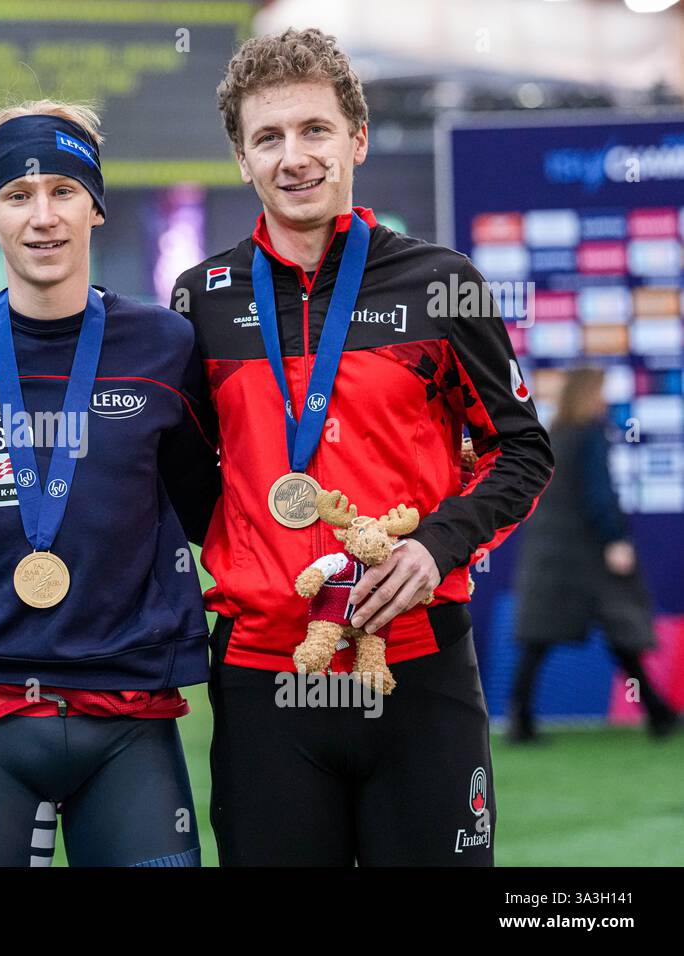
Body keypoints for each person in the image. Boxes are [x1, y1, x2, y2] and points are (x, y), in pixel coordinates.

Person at [170, 28, 554, 865]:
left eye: (315, 130)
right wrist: (255, 553)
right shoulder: (200, 300)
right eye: (268, 137)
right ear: (242, 158)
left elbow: (522, 452)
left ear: (358, 139)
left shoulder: (441, 282)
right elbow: (188, 473)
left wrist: (436, 546)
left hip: (416, 665)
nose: (294, 157)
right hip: (267, 674)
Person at [0, 100, 220, 867]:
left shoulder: (165, 343)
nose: (42, 216)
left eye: (63, 191)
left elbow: (201, 507)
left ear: (96, 206)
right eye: (17, 196)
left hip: (127, 715)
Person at [511, 367, 676, 741]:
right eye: (603, 392)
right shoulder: (589, 432)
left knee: (541, 638)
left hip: (551, 552)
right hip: (584, 550)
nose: (607, 399)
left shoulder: (554, 434)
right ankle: (658, 713)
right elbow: (599, 493)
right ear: (589, 394)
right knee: (621, 629)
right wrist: (615, 539)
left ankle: (522, 720)